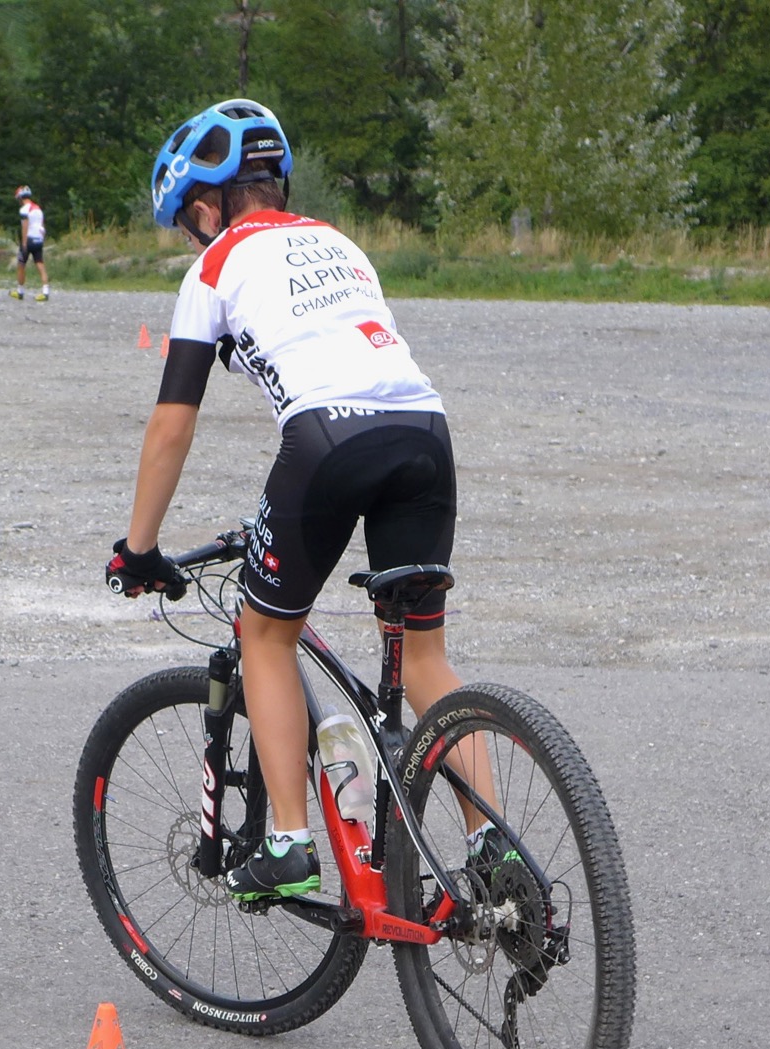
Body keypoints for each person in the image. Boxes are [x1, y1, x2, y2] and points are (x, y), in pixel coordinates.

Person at [105, 98, 492, 901]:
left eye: (187, 221)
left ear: (207, 206)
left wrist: (138, 549)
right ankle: (494, 848)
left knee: (265, 635)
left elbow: (173, 422)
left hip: (327, 441)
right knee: (422, 655)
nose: (189, 236)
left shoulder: (213, 267)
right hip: (425, 430)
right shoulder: (338, 243)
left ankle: (287, 840)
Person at [10, 185, 49, 301]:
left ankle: (20, 291)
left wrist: (24, 243)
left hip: (29, 239)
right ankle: (45, 291)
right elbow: (42, 225)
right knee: (40, 264)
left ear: (20, 198)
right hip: (39, 239)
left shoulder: (24, 209)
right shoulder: (38, 208)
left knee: (21, 264)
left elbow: (25, 226)